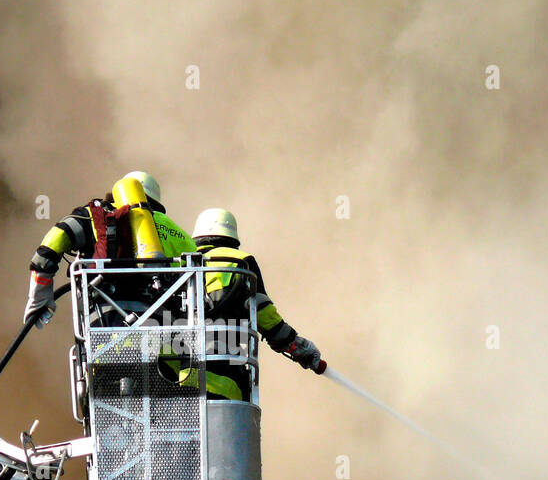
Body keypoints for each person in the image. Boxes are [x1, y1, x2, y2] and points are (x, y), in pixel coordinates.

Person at [23, 171, 195, 328]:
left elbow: (52, 243)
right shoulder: (180, 234)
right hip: (162, 326)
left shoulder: (97, 216)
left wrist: (39, 292)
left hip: (106, 319)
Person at [189, 208, 323, 399]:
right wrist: (297, 347)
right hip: (225, 373)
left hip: (181, 373)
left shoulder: (181, 263)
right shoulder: (240, 261)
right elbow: (262, 310)